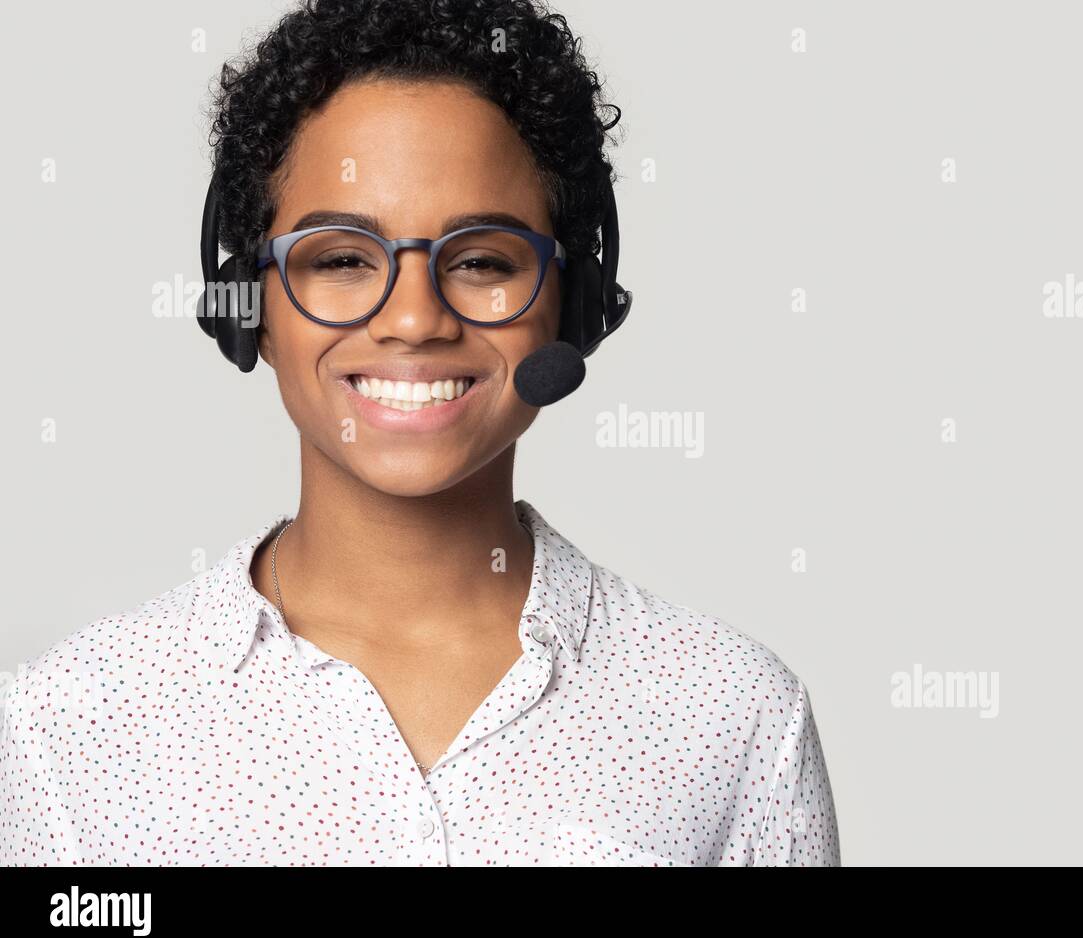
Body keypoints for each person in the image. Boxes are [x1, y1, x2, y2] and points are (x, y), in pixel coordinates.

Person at [0, 0, 839, 866]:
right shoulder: (72, 723)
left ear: (572, 303)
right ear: (247, 307)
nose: (412, 319)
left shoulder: (733, 717)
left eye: (480, 261)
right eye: (340, 259)